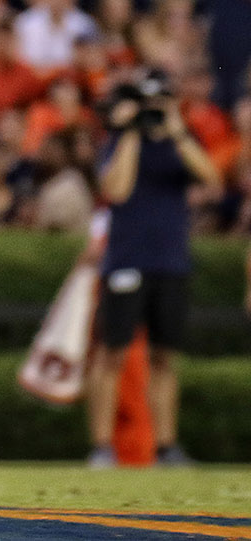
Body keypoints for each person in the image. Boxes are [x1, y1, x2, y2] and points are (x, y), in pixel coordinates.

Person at [85, 69, 221, 468]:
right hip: (126, 260)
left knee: (165, 357)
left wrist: (176, 129)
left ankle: (166, 446)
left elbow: (212, 179)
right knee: (113, 354)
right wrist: (129, 131)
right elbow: (117, 190)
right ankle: (101, 447)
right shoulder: (118, 143)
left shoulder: (179, 143)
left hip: (171, 262)